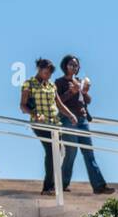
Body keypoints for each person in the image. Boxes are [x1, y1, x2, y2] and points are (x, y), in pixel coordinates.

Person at [21, 57, 81, 196]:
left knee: (58, 151)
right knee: (51, 150)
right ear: (39, 69)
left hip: (55, 123)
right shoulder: (29, 84)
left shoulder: (51, 86)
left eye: (49, 73)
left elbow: (59, 105)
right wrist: (35, 114)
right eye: (45, 72)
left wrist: (71, 115)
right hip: (40, 123)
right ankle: (47, 187)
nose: (47, 75)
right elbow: (22, 106)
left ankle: (52, 185)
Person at [55, 54, 112, 194]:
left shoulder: (80, 81)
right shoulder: (59, 82)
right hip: (68, 119)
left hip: (82, 119)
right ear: (65, 66)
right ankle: (62, 184)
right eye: (71, 65)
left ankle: (99, 186)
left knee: (89, 153)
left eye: (76, 65)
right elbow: (58, 101)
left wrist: (84, 92)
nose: (74, 67)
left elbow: (87, 101)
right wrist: (71, 91)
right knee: (71, 153)